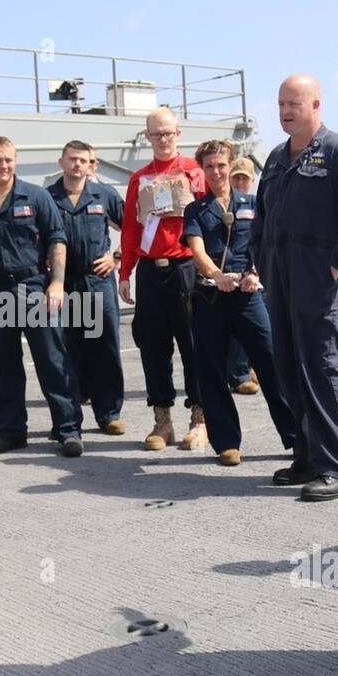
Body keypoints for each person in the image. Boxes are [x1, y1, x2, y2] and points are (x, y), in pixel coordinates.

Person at [252, 74, 338, 501]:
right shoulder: (275, 158)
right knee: (288, 368)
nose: (286, 111)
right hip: (278, 280)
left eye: (294, 104)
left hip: (318, 281)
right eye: (281, 104)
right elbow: (262, 217)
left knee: (322, 368)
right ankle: (307, 457)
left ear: (316, 105)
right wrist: (258, 260)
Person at [0, 136, 84, 456]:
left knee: (53, 360)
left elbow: (57, 239)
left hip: (33, 288)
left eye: (9, 159)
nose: (4, 165)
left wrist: (56, 284)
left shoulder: (36, 196)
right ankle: (11, 432)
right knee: (2, 366)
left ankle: (67, 430)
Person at [182, 140, 295, 466]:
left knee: (273, 364)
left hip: (248, 297)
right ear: (201, 170)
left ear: (231, 165)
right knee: (212, 371)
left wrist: (256, 273)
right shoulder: (196, 210)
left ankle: (296, 437)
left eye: (221, 165)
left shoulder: (253, 203)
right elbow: (197, 250)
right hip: (211, 297)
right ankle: (227, 443)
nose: (216, 172)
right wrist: (216, 274)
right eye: (209, 167)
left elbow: (266, 242)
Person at [118, 107, 206, 451]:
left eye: (168, 133)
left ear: (178, 134)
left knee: (193, 345)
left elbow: (208, 221)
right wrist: (125, 273)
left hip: (186, 268)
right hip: (150, 271)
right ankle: (162, 420)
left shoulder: (194, 172)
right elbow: (130, 228)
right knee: (153, 348)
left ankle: (199, 419)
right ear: (147, 136)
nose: (163, 139)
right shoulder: (138, 178)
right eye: (156, 134)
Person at [47, 141, 125, 434]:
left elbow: (133, 228)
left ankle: (109, 414)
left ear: (92, 165)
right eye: (72, 159)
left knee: (104, 348)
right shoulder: (47, 198)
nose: (77, 165)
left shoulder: (104, 195)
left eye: (84, 160)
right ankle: (68, 418)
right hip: (63, 284)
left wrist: (116, 257)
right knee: (65, 351)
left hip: (97, 281)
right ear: (61, 161)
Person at [225, 158, 259, 396]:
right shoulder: (220, 205)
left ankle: (251, 368)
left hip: (253, 275)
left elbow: (265, 240)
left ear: (252, 181)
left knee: (258, 328)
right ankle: (239, 375)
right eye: (236, 177)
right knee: (232, 330)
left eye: (244, 178)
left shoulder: (258, 205)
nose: (239, 182)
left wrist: (257, 271)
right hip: (226, 275)